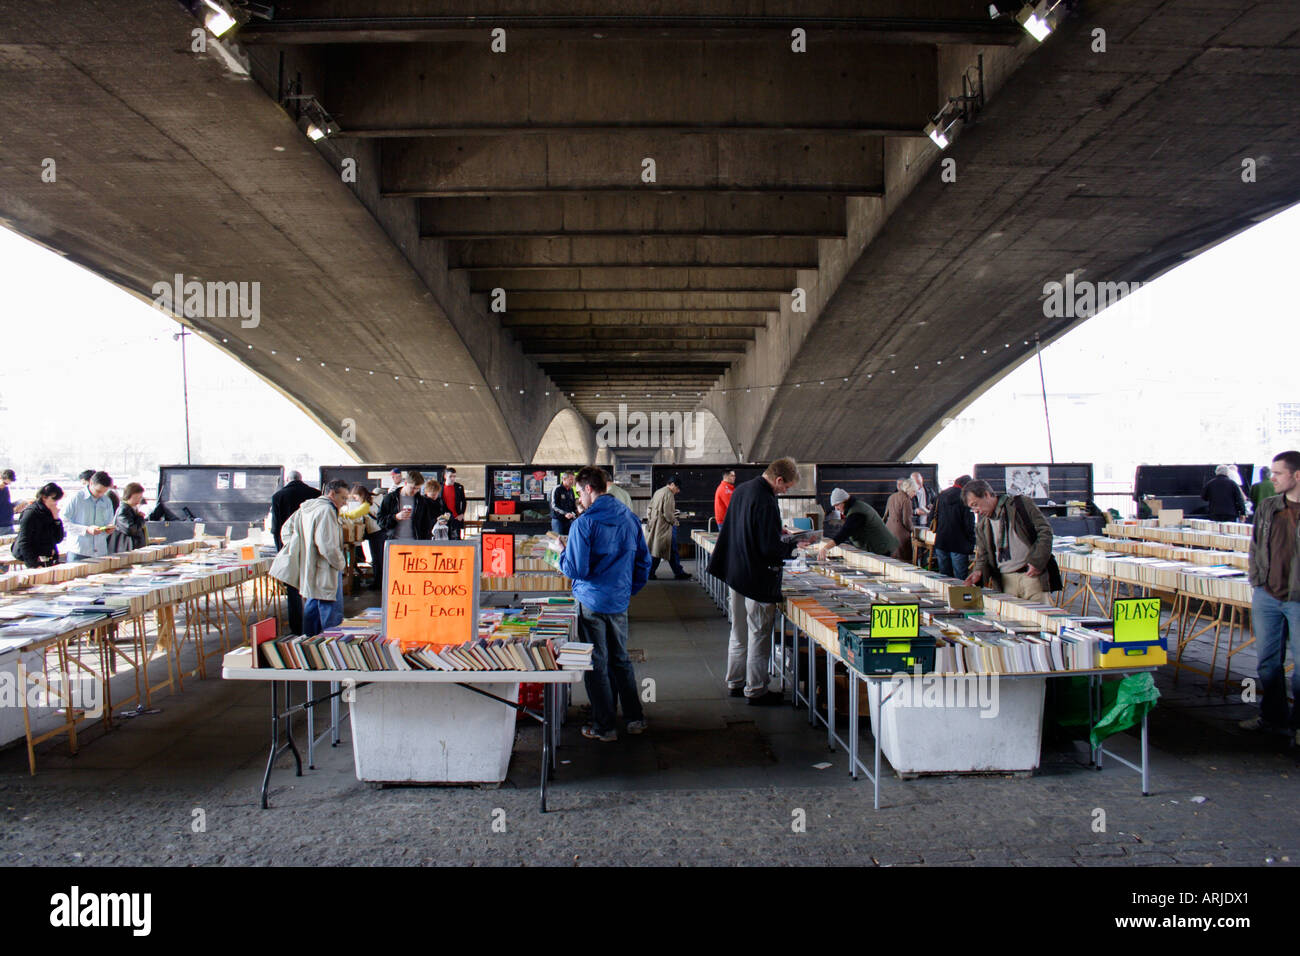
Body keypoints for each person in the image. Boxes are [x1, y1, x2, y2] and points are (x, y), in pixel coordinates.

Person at [557, 466, 652, 742]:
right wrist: (627, 591)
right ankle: (635, 718)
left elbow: (576, 569)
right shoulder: (631, 519)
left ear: (588, 489)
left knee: (597, 662)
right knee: (621, 658)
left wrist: (561, 553)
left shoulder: (583, 524)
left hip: (591, 602)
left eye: (579, 492)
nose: (579, 498)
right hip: (618, 600)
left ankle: (605, 726)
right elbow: (643, 563)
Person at [707, 457, 806, 705]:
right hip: (756, 578)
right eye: (787, 487)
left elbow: (745, 529)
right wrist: (793, 547)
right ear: (779, 479)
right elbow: (768, 547)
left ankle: (735, 681)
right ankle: (757, 689)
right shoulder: (766, 500)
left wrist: (775, 532)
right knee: (759, 634)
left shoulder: (742, 490)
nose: (785, 492)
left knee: (738, 631)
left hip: (736, 573)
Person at [1241, 451, 1300, 742]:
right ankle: (1273, 717)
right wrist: (1256, 580)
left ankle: (1298, 725)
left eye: (1278, 473)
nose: (1271, 478)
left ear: (1297, 475)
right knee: (1267, 662)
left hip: (1298, 598)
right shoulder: (1268, 507)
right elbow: (1254, 546)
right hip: (1267, 594)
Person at [270, 479, 350, 636]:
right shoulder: (326, 511)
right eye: (343, 498)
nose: (345, 503)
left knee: (313, 607)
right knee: (330, 615)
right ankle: (329, 650)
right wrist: (341, 563)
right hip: (326, 569)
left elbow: (286, 530)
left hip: (310, 568)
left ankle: (308, 646)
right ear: (332, 494)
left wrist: (302, 550)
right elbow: (327, 546)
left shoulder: (307, 507)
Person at [963, 478, 1058, 599]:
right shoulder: (982, 527)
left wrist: (1037, 562)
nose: (976, 511)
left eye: (975, 505)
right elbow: (984, 555)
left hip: (1031, 578)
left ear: (986, 494)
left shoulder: (1020, 505)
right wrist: (978, 571)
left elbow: (1045, 531)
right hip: (1006, 582)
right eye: (972, 508)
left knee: (1039, 617)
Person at [270, 470, 321, 634]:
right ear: (301, 479)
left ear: (287, 479)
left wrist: (281, 551)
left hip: (291, 547)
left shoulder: (278, 496)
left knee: (292, 588)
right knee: (314, 586)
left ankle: (297, 627)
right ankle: (314, 626)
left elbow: (276, 528)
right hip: (313, 547)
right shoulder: (315, 494)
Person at [816, 488, 897, 558]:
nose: (836, 508)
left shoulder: (856, 512)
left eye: (837, 505)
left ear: (844, 501)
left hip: (881, 547)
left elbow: (844, 533)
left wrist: (825, 548)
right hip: (878, 546)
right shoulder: (855, 507)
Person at [61, 470, 116, 561]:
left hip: (100, 551)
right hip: (79, 552)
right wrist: (86, 529)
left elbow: (109, 521)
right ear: (91, 483)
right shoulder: (76, 498)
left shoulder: (107, 501)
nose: (100, 494)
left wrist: (109, 528)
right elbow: (63, 523)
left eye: (104, 492)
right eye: (98, 491)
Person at [341, 484, 384, 589]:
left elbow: (354, 515)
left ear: (360, 495)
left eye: (355, 497)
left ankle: (378, 584)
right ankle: (379, 582)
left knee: (378, 559)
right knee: (378, 559)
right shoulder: (373, 501)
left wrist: (340, 514)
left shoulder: (366, 505)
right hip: (379, 533)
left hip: (376, 534)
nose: (356, 500)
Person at [933, 475, 976, 579]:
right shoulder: (966, 498)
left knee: (944, 578)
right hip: (959, 543)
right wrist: (972, 541)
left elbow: (932, 516)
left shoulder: (942, 494)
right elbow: (969, 523)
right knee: (960, 579)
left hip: (941, 541)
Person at [12, 482, 64, 568]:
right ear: (44, 497)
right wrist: (33, 565)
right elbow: (24, 541)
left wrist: (56, 519)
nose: (55, 503)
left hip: (48, 556)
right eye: (54, 500)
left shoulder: (51, 511)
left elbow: (58, 539)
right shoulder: (31, 513)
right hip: (34, 557)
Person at [647, 475, 689, 580]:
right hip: (665, 528)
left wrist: (652, 521)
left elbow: (650, 508)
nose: (678, 491)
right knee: (669, 550)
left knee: (658, 550)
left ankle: (651, 572)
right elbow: (668, 514)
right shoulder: (669, 494)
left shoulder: (658, 492)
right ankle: (678, 572)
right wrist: (675, 522)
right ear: (672, 485)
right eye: (677, 488)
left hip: (656, 526)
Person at [108, 482, 148, 553]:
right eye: (136, 497)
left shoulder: (132, 508)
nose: (138, 500)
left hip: (131, 547)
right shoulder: (124, 509)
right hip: (125, 547)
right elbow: (130, 529)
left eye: (140, 498)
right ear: (128, 495)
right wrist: (140, 518)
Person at [885, 477, 916, 561]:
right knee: (903, 560)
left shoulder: (892, 496)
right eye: (914, 491)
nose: (915, 494)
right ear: (909, 489)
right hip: (900, 533)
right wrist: (913, 530)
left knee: (891, 559)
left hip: (889, 530)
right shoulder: (906, 500)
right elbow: (906, 521)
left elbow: (885, 516)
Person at [440, 467, 468, 539]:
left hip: (456, 516)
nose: (452, 479)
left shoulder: (459, 487)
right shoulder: (440, 487)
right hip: (444, 516)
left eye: (454, 476)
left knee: (457, 539)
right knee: (444, 538)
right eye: (450, 476)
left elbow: (464, 501)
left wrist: (462, 514)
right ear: (445, 476)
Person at [0, 469, 24, 534]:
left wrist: (17, 505)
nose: (5, 485)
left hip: (8, 524)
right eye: (4, 483)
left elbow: (5, 505)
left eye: (8, 484)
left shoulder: (5, 489)